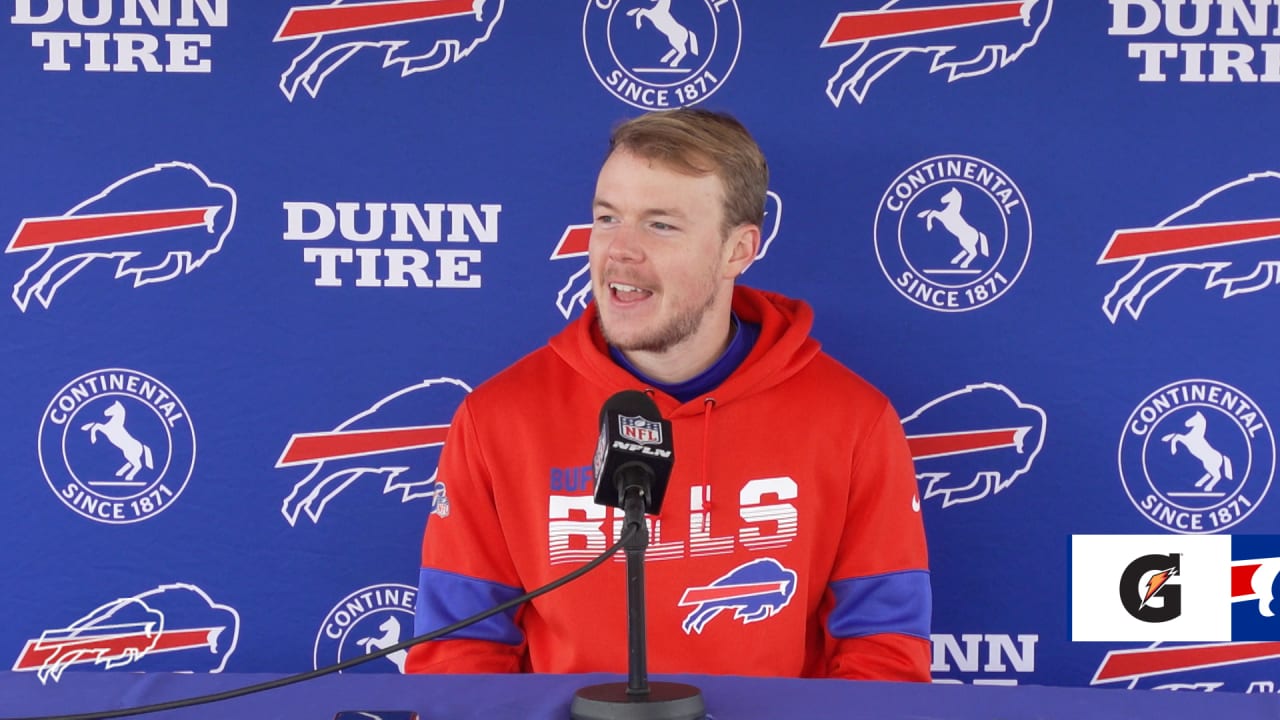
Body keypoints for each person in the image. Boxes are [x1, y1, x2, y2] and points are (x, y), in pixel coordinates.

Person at [404, 108, 931, 681]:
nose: (620, 250)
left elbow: (883, 652)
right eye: (607, 218)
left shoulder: (853, 419)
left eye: (660, 225)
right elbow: (457, 657)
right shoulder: (498, 419)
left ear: (739, 250)